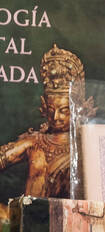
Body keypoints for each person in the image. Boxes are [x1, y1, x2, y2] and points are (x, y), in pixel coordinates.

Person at [0, 45, 94, 218]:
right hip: (28, 223)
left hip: (70, 222)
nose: (56, 116)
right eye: (51, 110)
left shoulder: (87, 147)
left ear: (77, 109)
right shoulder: (35, 142)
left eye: (64, 110)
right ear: (44, 107)